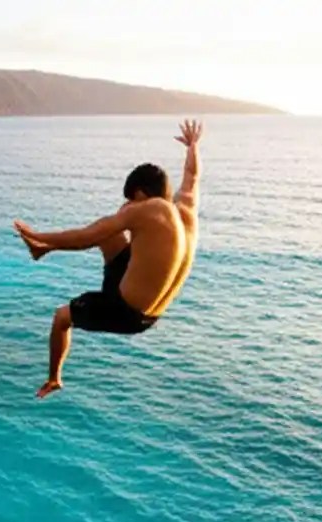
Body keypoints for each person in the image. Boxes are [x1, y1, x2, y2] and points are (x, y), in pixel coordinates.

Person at [14, 119, 203, 399]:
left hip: (125, 310)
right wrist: (192, 147)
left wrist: (41, 235)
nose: (127, 206)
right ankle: (41, 251)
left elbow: (85, 237)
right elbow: (191, 177)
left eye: (130, 199)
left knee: (61, 317)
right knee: (110, 233)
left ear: (140, 193)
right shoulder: (186, 210)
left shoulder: (147, 209)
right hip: (152, 311)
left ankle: (54, 378)